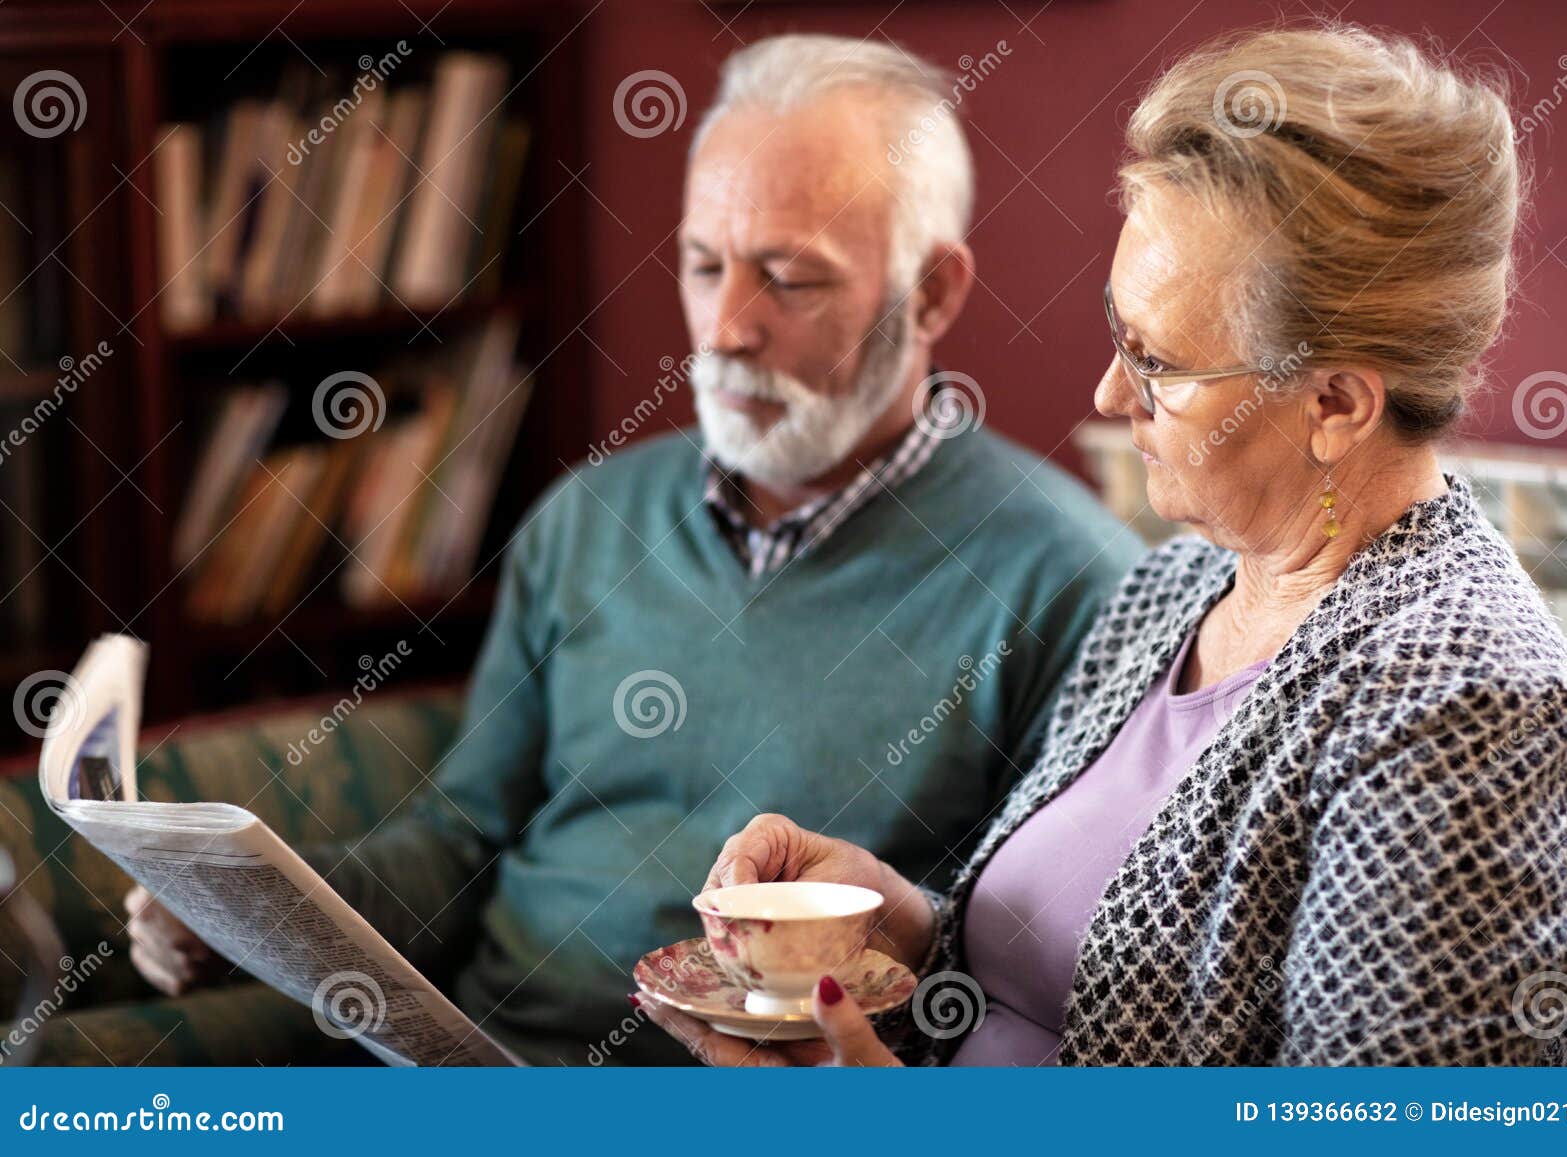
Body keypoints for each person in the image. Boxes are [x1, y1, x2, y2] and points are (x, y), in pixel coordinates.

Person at [123, 34, 1139, 1066]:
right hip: (470, 1056)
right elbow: (464, 841)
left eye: (788, 278)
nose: (726, 327)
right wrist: (247, 905)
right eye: (705, 265)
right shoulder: (590, 514)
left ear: (929, 293)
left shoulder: (1071, 581)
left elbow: (1031, 979)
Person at [637, 24, 1567, 1067]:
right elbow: (1049, 992)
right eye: (1115, 328)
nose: (1105, 393)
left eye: (1157, 361)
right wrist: (899, 925)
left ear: (1333, 401)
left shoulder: (1468, 708)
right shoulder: (1173, 588)